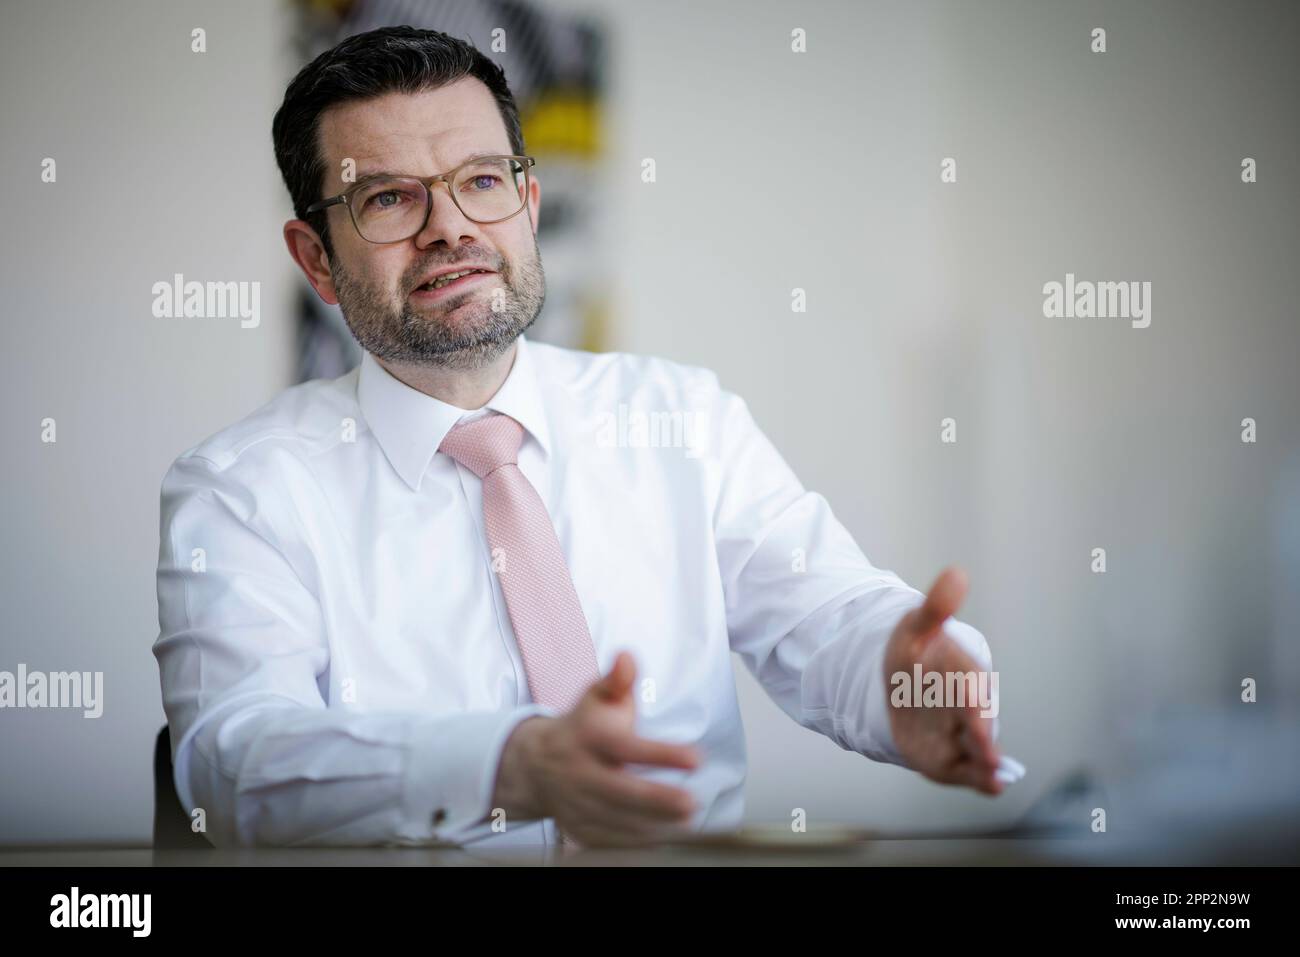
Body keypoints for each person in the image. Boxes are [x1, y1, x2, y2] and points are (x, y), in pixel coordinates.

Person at [153, 25, 1006, 850]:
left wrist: (909, 678)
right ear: (316, 261)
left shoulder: (685, 419)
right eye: (388, 198)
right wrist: (507, 765)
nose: (449, 226)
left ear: (528, 203)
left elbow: (827, 616)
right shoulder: (241, 488)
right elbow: (234, 761)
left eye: (481, 181)